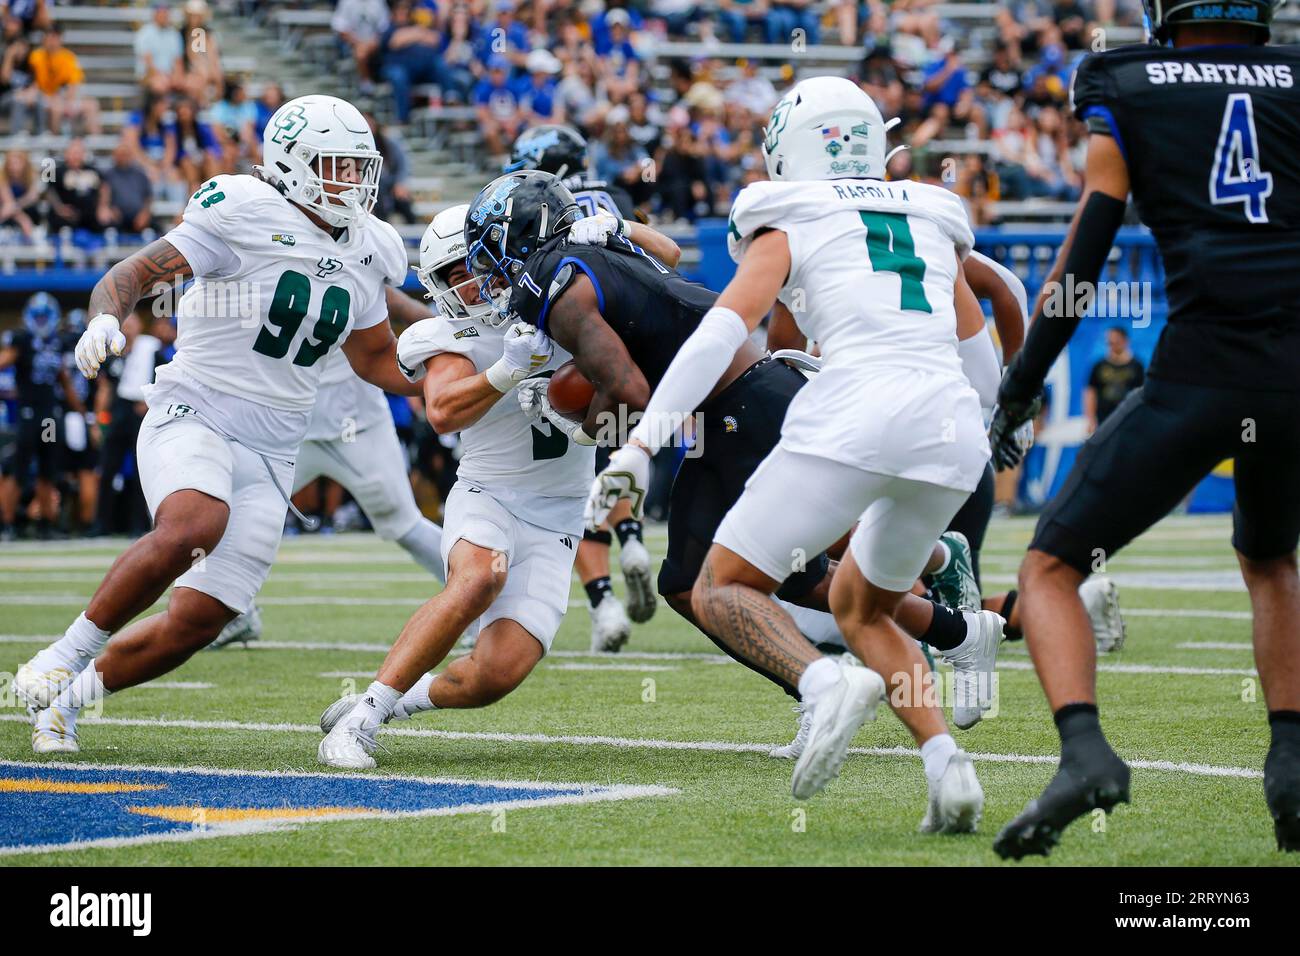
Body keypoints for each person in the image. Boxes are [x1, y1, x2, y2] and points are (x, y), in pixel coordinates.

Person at [585, 76, 999, 827]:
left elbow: (723, 331)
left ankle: (825, 684)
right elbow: (981, 362)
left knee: (719, 584)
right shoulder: (932, 211)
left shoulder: (787, 211)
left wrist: (643, 444)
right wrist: (975, 436)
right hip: (951, 429)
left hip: (855, 413)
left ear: (791, 150)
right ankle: (950, 769)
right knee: (862, 604)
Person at [13, 94, 422, 755]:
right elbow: (137, 272)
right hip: (196, 407)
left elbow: (373, 356)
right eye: (337, 166)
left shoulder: (372, 246)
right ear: (292, 166)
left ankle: (68, 701)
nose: (352, 181)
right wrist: (105, 317)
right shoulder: (243, 209)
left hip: (274, 447)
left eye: (357, 166)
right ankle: (67, 650)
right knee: (194, 526)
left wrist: (454, 386)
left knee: (201, 618)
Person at [987, 0, 1300, 857]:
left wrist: (1021, 383)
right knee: (1272, 560)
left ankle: (1084, 753)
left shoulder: (1127, 79)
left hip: (1202, 370)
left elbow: (1088, 246)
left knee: (1049, 567)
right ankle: (1292, 767)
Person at [505, 123, 655, 650]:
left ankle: (603, 605)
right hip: (630, 339)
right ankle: (633, 539)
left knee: (579, 477)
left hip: (567, 336)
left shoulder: (538, 207)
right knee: (616, 457)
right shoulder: (611, 200)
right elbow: (657, 258)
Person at [0, 292, 83, 539]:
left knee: (48, 470)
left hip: (49, 416)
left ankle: (46, 524)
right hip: (28, 413)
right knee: (19, 470)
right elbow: (4, 361)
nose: (40, 321)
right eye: (37, 316)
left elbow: (64, 381)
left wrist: (82, 413)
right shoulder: (21, 340)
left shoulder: (58, 342)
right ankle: (8, 524)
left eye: (44, 316)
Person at [28, 24, 100, 135]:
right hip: (43, 97)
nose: (52, 41)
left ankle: (96, 144)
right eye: (49, 37)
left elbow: (73, 84)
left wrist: (69, 101)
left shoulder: (68, 57)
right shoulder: (36, 56)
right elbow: (33, 83)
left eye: (55, 37)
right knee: (56, 108)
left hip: (63, 98)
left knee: (92, 105)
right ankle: (54, 146)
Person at [1083, 325, 1144, 435]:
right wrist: (1090, 419)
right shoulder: (1099, 365)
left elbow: (1142, 394)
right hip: (1103, 419)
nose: (1113, 345)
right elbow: (1090, 392)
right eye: (1110, 342)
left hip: (1128, 419)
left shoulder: (1136, 366)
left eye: (1117, 342)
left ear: (1125, 341)